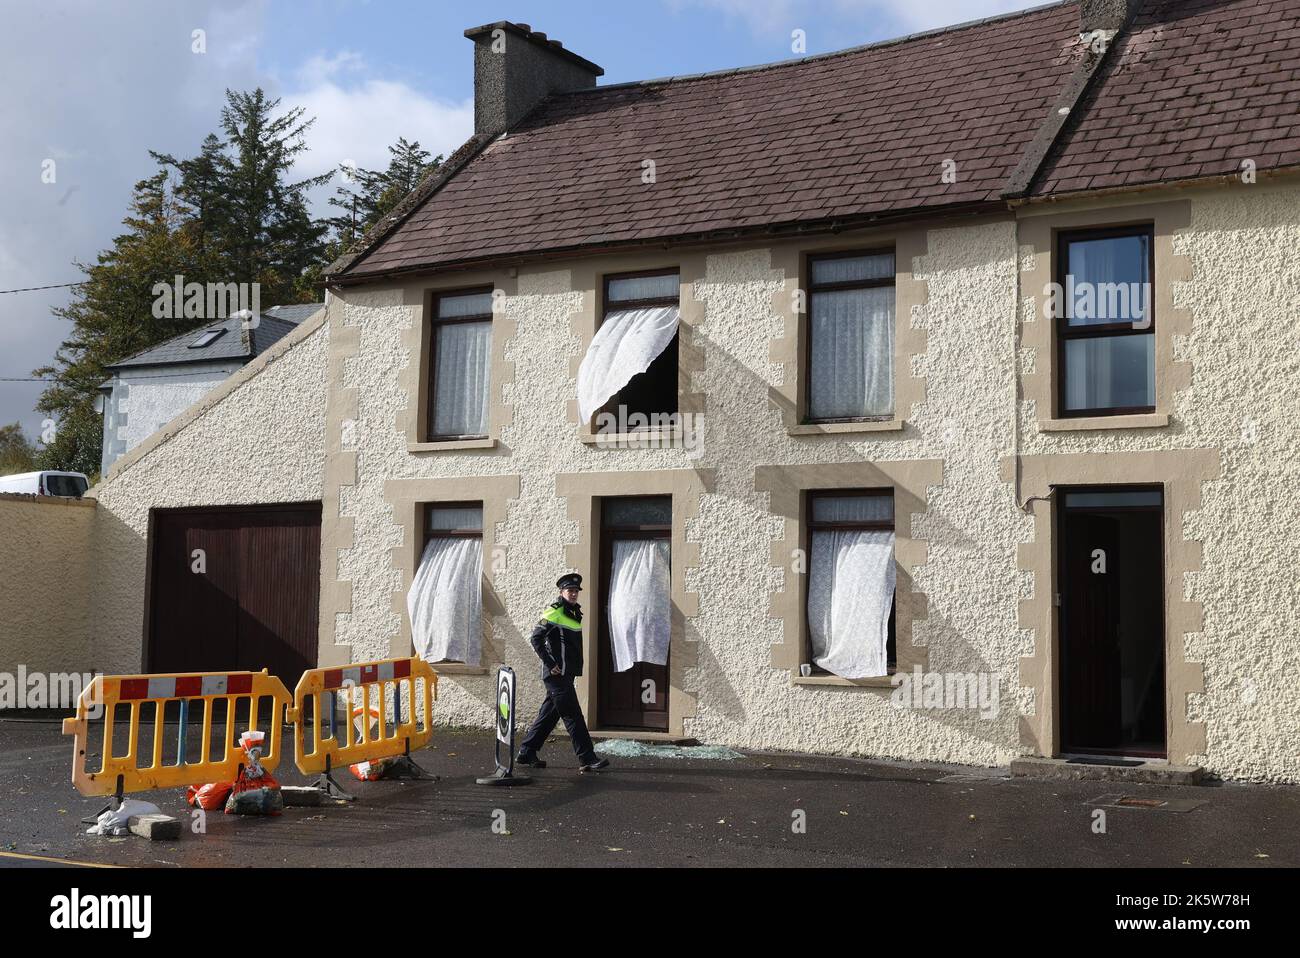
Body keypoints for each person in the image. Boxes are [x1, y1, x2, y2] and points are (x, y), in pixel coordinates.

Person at [516, 573, 610, 772]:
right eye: (570, 590)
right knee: (573, 715)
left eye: (576, 591)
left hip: (567, 674)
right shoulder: (554, 612)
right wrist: (550, 663)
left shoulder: (574, 613)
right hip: (556, 676)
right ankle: (587, 758)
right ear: (561, 592)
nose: (574, 594)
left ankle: (527, 751)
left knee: (550, 714)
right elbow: (536, 639)